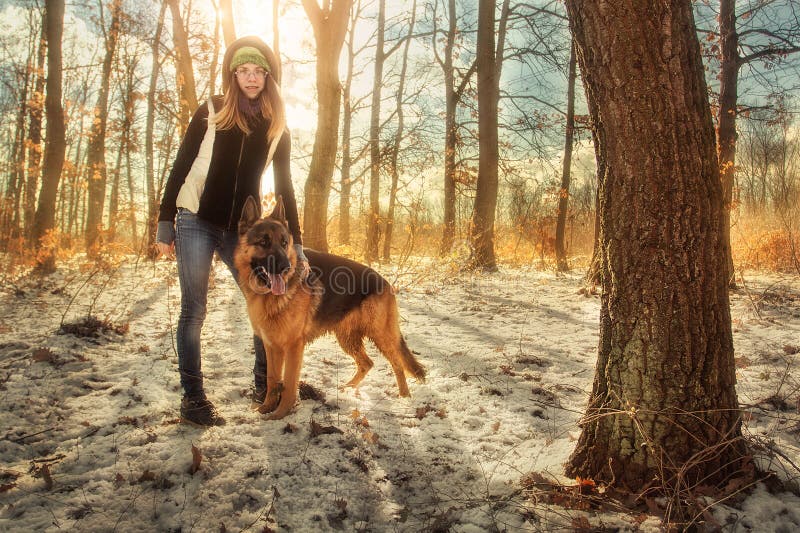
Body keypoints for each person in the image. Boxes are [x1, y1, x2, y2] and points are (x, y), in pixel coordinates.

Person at [156, 36, 308, 427]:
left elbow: (287, 187)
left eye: (258, 71)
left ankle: (267, 387)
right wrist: (165, 219)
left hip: (242, 233)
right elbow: (181, 164)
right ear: (233, 74)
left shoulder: (277, 129)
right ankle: (194, 400)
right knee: (194, 309)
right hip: (195, 220)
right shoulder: (211, 111)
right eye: (244, 70)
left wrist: (300, 245)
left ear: (268, 76)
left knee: (266, 304)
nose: (251, 78)